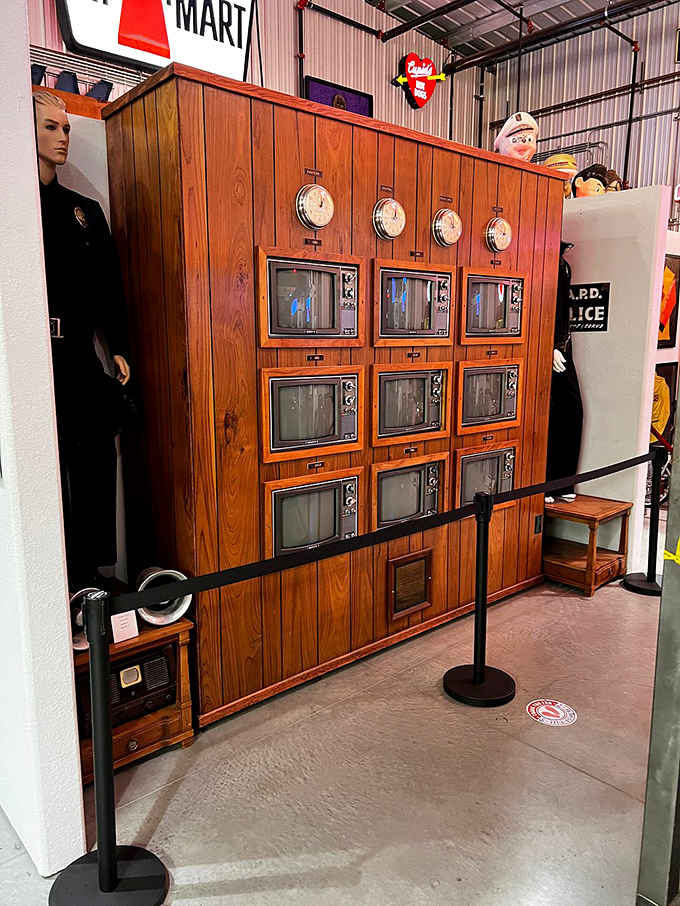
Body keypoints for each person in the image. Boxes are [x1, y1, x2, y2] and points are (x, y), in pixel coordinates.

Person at [34, 90, 131, 590]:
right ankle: (54, 575)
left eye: (67, 128)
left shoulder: (84, 211)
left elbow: (109, 288)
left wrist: (117, 346)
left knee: (96, 451)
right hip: (30, 360)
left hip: (75, 351)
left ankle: (92, 571)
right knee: (42, 469)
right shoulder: (16, 209)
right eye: (50, 126)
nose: (62, 137)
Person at [546, 242, 583, 504]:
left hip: (562, 347)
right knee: (546, 415)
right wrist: (547, 346)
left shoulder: (562, 267)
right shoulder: (546, 267)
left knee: (570, 412)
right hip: (550, 347)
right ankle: (546, 483)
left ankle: (561, 482)